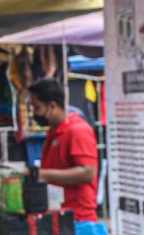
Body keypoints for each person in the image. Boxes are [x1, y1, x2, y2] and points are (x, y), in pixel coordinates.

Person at [27, 77, 101, 223]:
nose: (35, 114)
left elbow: (88, 172)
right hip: (58, 216)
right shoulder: (54, 132)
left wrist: (41, 174)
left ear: (52, 106)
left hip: (78, 219)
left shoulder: (77, 131)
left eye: (37, 108)